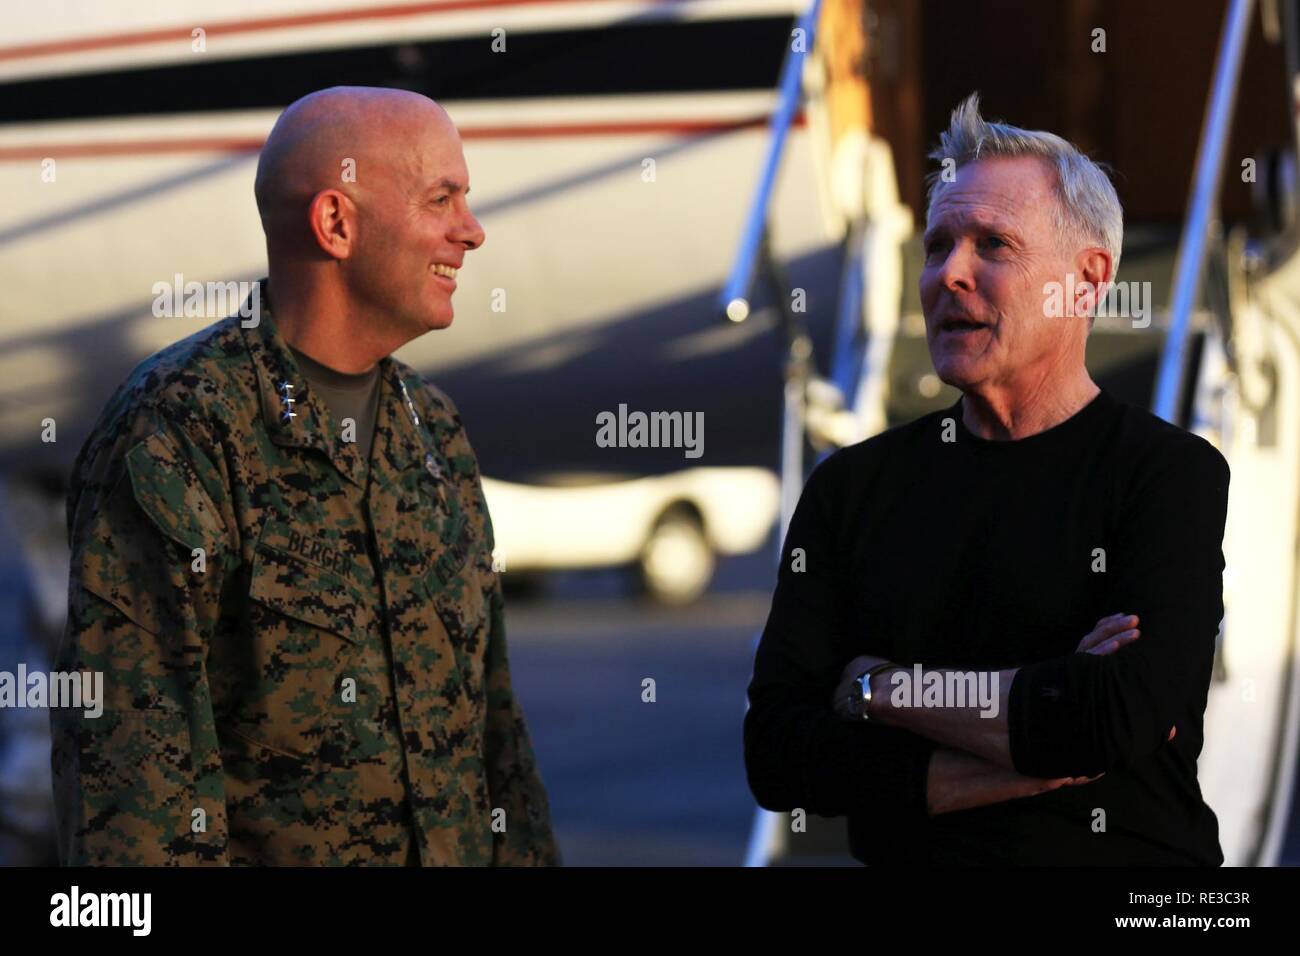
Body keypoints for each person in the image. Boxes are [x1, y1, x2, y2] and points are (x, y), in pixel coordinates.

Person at [51, 86, 559, 866]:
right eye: (442, 198)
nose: (472, 230)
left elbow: (497, 741)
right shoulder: (180, 430)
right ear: (336, 223)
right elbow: (131, 783)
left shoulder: (433, 429)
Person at [744, 94, 1229, 865]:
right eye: (937, 246)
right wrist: (1016, 731)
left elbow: (1110, 718)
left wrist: (883, 691)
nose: (948, 276)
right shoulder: (852, 490)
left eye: (992, 244)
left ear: (1086, 279)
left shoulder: (1167, 476)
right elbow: (775, 751)